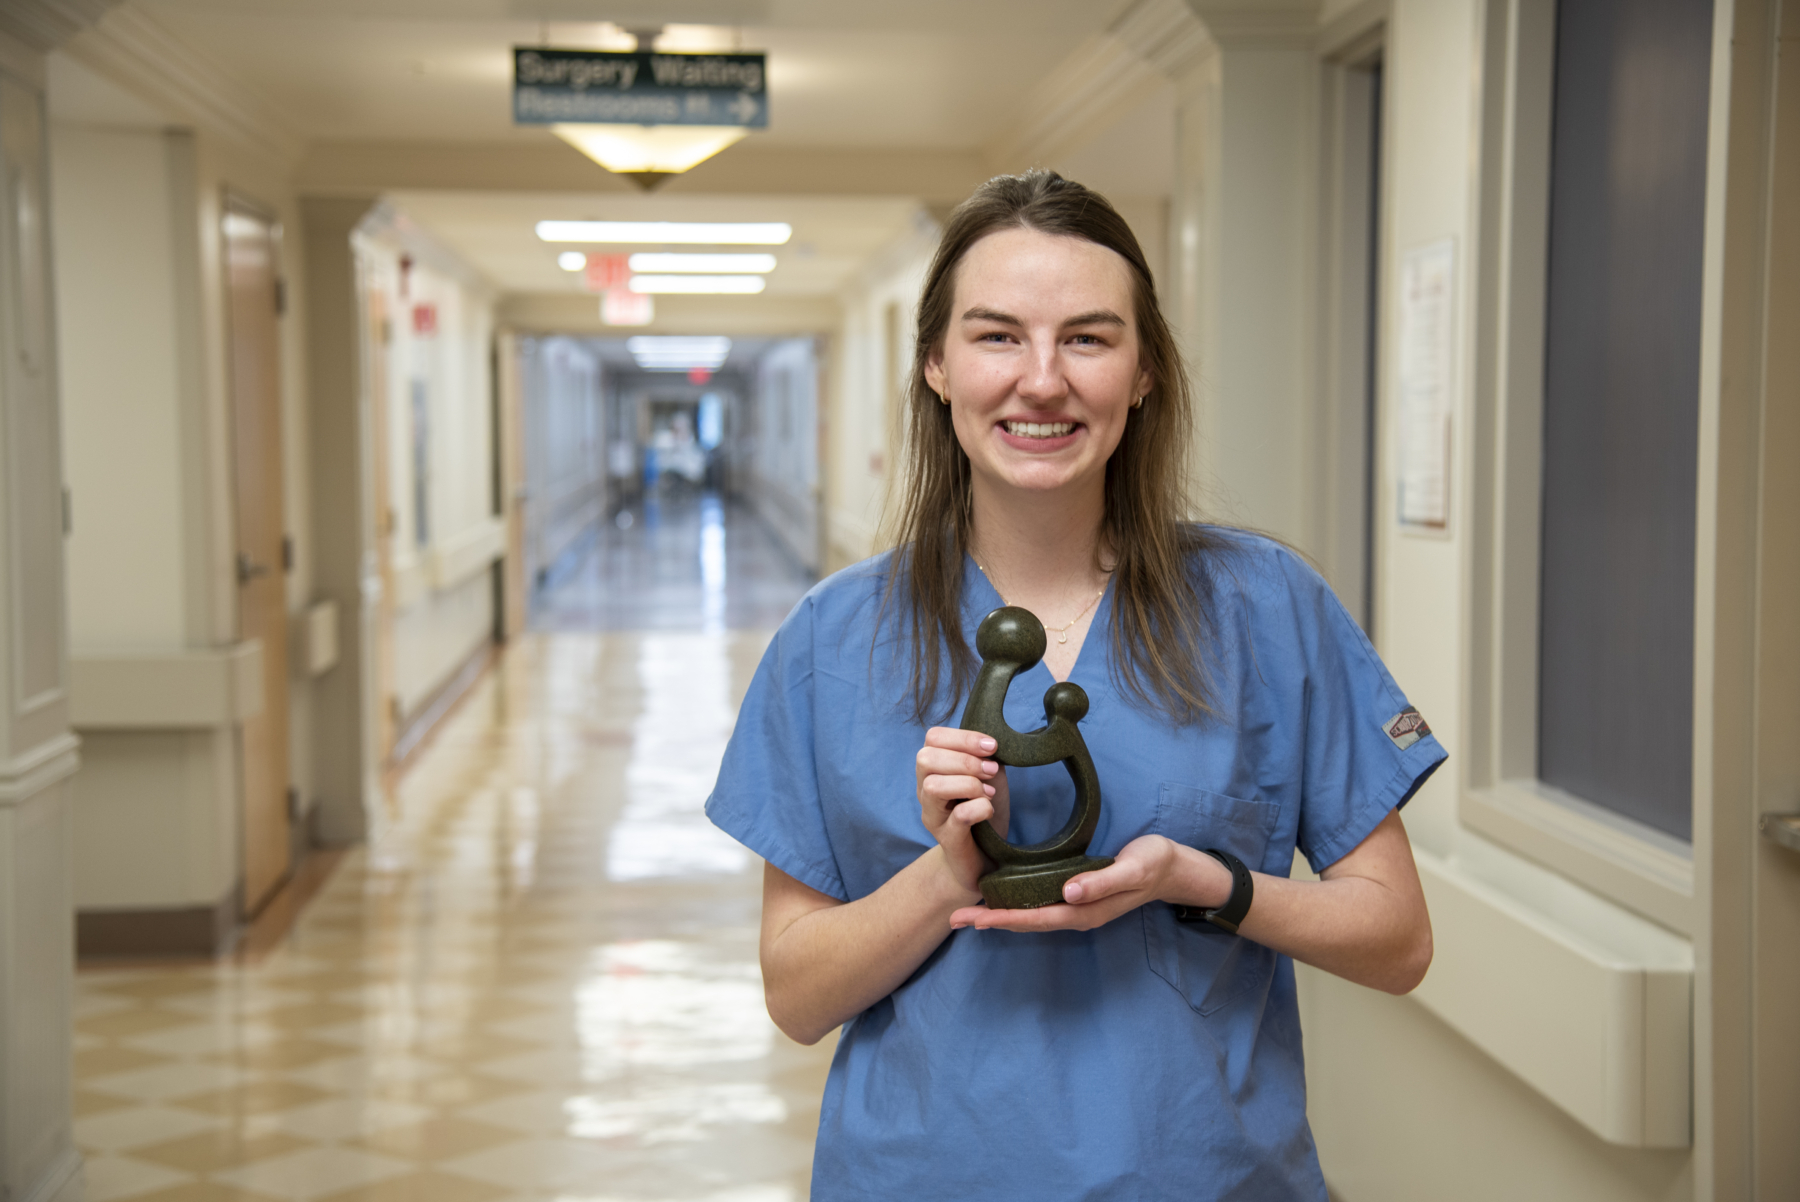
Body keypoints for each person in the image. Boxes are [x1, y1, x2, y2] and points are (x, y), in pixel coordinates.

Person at [705, 170, 1444, 1200]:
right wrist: (949, 874)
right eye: (998, 336)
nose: (1042, 379)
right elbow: (796, 996)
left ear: (1144, 373)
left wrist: (1201, 882)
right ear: (936, 364)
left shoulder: (1266, 608)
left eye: (1088, 338)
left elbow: (1397, 939)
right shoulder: (833, 640)